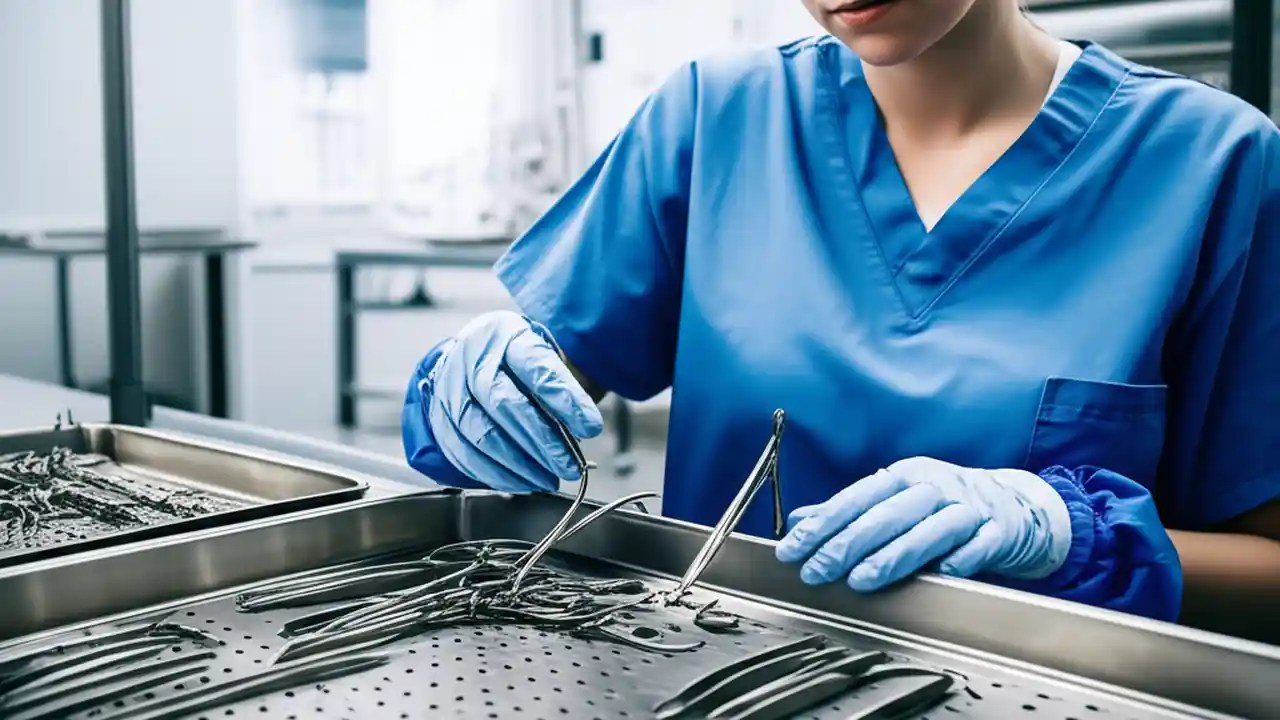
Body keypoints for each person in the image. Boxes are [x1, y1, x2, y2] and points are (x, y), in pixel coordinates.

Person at [402, 0, 1280, 631]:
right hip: (701, 672)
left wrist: (1068, 536)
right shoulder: (716, 116)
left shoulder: (1211, 164)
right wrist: (472, 396)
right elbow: (528, 402)